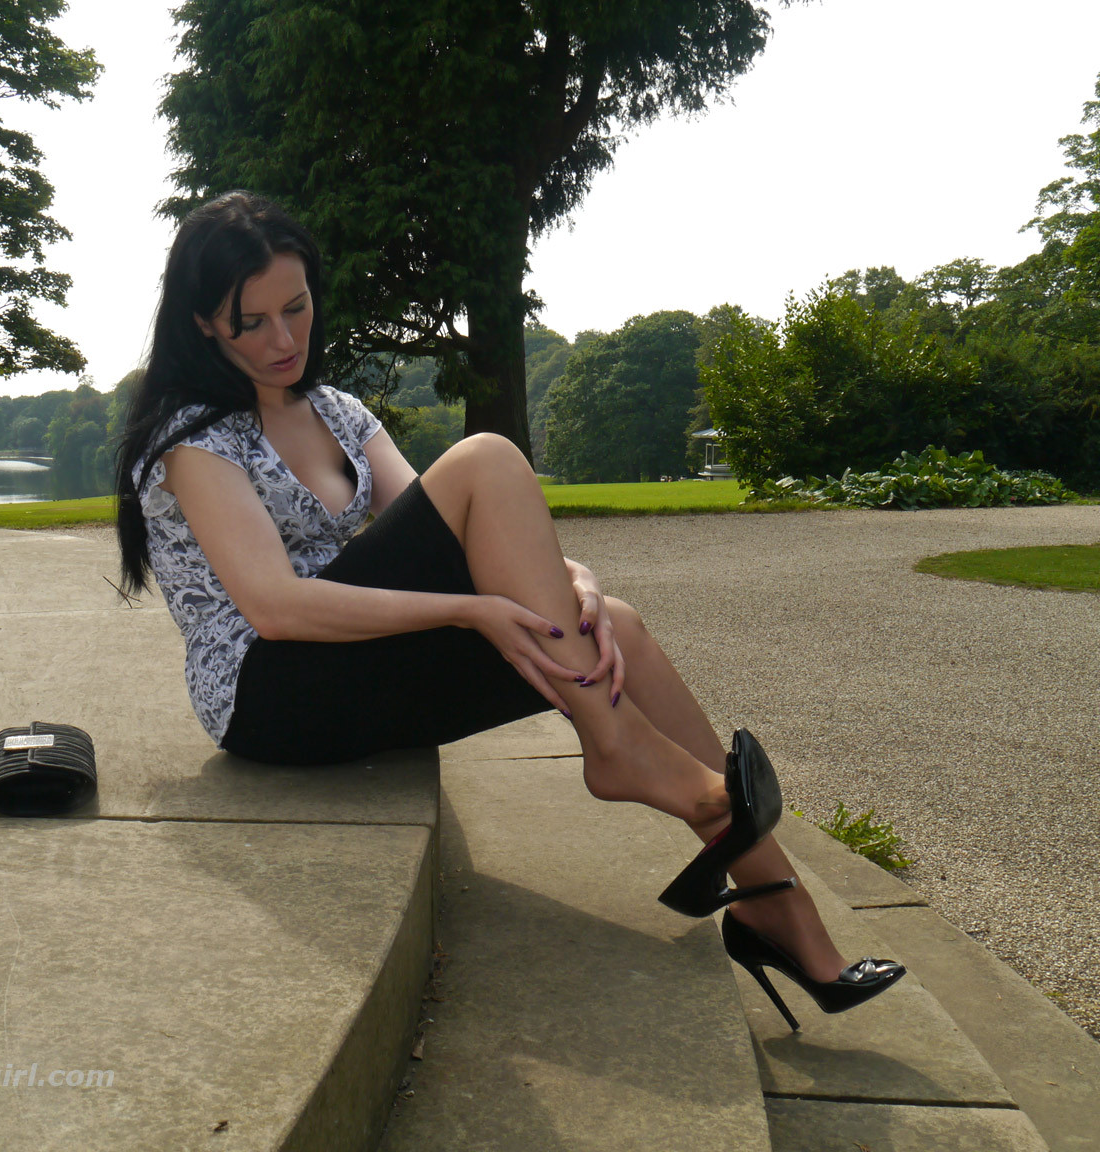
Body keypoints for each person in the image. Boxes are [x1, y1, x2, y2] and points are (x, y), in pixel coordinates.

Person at [114, 190, 904, 1030]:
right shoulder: (194, 438)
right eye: (252, 323)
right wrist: (475, 610)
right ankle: (620, 748)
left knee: (618, 626)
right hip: (270, 695)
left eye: (297, 308)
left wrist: (574, 580)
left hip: (351, 664)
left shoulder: (338, 414)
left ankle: (775, 903)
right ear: (203, 324)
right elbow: (274, 608)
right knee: (488, 454)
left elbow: (463, 530)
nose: (283, 340)